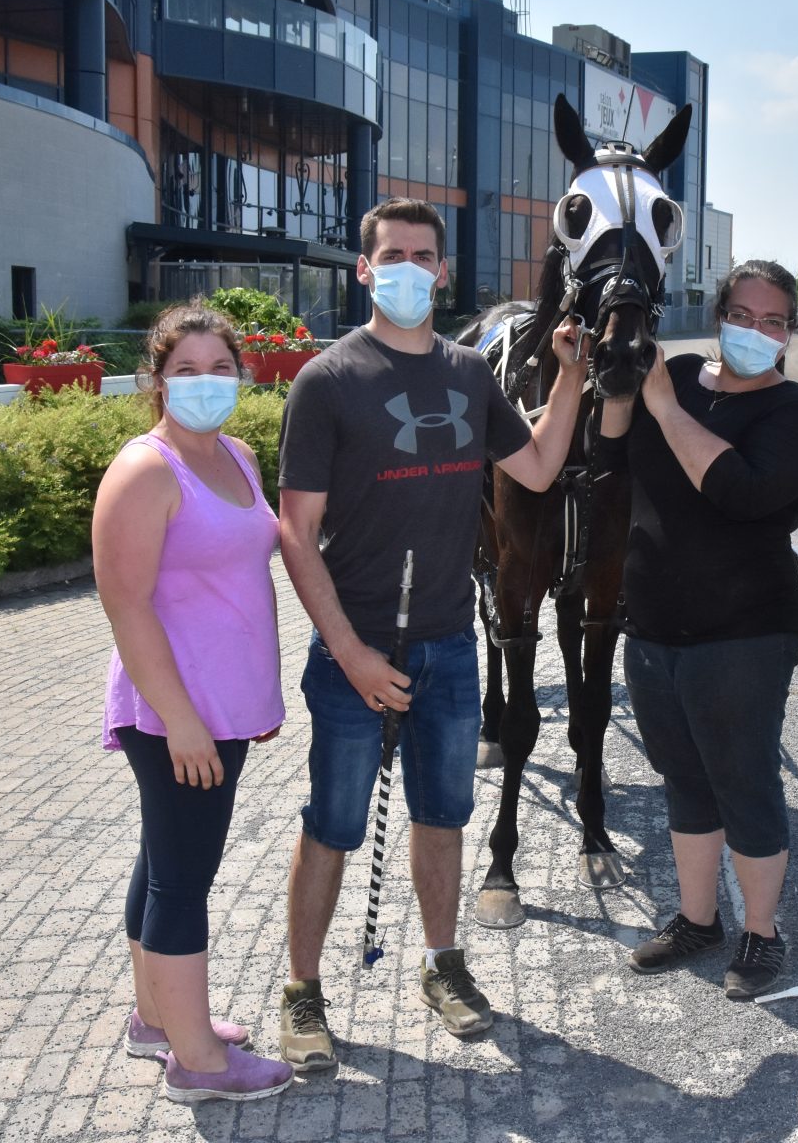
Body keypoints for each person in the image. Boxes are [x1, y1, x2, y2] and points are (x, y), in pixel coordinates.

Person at [275, 198, 585, 1068]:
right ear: (364, 270)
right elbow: (295, 533)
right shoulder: (328, 381)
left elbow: (538, 463)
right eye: (393, 255)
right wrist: (352, 654)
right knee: (332, 825)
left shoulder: (466, 374)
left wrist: (566, 373)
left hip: (450, 645)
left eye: (425, 256)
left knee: (443, 817)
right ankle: (302, 991)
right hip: (354, 651)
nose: (410, 268)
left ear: (443, 273)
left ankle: (443, 966)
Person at [595, 260, 798, 1000]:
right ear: (719, 311)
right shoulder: (683, 374)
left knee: (744, 781)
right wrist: (605, 379)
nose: (756, 331)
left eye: (774, 321)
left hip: (744, 633)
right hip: (655, 626)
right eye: (744, 314)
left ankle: (762, 932)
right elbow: (607, 460)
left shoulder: (795, 412)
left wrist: (663, 406)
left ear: (789, 334)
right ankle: (699, 919)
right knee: (684, 781)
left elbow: (742, 493)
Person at [93, 304, 295, 1103]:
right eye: (186, 371)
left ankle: (156, 1018)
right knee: (184, 877)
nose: (205, 384)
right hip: (178, 713)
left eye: (221, 369)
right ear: (156, 380)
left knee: (162, 858)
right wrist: (179, 720)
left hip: (224, 704)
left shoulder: (238, 457)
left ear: (242, 377)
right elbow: (127, 604)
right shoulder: (146, 469)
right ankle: (198, 1062)